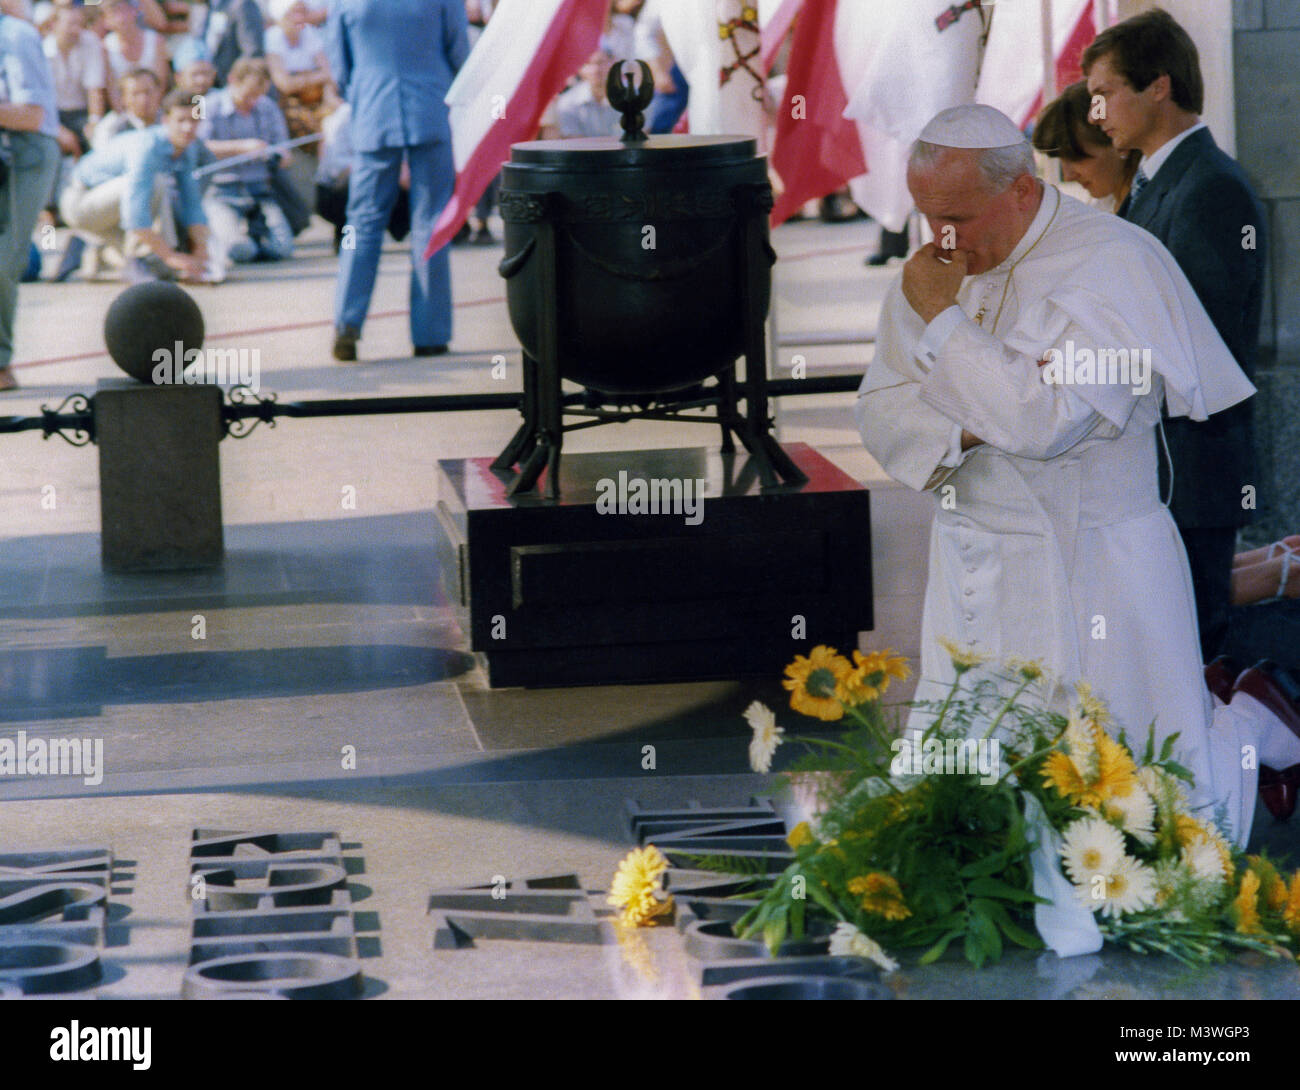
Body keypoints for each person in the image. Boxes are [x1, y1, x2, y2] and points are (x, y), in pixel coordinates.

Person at [852, 103, 1300, 850]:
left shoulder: (1112, 264)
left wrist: (946, 333)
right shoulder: (934, 274)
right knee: (968, 785)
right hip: (973, 560)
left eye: (959, 216)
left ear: (1023, 191)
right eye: (930, 217)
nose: (943, 240)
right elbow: (880, 412)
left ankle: (1262, 726)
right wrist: (968, 415)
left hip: (1100, 561)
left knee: (1150, 802)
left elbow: (1042, 424)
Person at [1083, 10, 1267, 666]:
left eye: (1104, 92)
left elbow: (1194, 345)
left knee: (1193, 657)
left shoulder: (1208, 188)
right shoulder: (1163, 181)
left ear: (1157, 87)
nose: (1095, 111)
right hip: (1160, 462)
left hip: (1192, 464)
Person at [329, 0, 470, 362]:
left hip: (373, 110)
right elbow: (460, 53)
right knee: (431, 221)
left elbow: (340, 66)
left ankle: (346, 324)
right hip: (429, 105)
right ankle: (430, 334)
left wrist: (363, 93)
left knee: (362, 222)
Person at [60, 87, 211, 283]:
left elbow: (193, 204)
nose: (188, 127)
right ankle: (135, 261)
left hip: (109, 210)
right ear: (165, 121)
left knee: (153, 263)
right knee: (157, 185)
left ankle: (89, 249)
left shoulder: (187, 146)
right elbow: (135, 215)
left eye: (193, 121)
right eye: (181, 120)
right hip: (79, 202)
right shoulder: (147, 146)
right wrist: (171, 257)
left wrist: (201, 253)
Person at [0, 0, 63, 392]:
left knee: (4, 257)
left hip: (28, 151)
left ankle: (1, 362)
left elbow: (32, 115)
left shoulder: (17, 34)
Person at [196, 57, 294, 263]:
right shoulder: (209, 105)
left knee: (283, 249)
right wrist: (242, 147)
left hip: (259, 190)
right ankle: (230, 236)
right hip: (222, 191)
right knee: (239, 250)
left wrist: (279, 155)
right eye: (248, 95)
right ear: (233, 80)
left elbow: (285, 150)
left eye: (258, 95)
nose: (253, 101)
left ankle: (255, 235)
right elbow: (198, 148)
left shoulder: (267, 106)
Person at [264, 0, 338, 140]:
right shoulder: (273, 36)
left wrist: (302, 80)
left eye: (303, 12)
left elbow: (330, 73)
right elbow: (285, 84)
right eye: (295, 12)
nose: (300, 18)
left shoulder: (309, 33)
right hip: (289, 103)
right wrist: (316, 77)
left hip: (317, 97)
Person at [100, 0, 171, 100]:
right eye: (114, 13)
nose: (121, 18)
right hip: (123, 110)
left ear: (135, 11)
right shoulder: (104, 47)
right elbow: (112, 90)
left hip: (155, 106)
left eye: (124, 10)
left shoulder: (156, 41)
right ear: (105, 21)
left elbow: (161, 83)